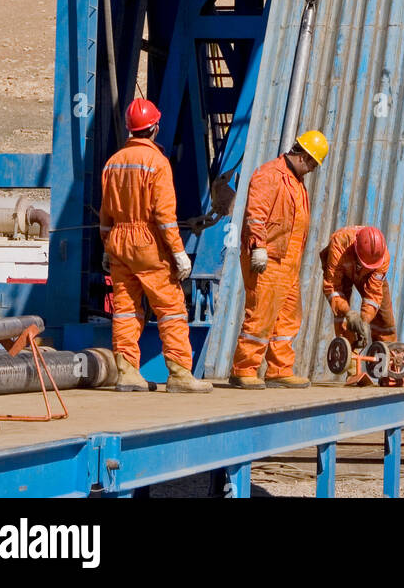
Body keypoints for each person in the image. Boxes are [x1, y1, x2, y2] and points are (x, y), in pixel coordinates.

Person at [100, 98, 212, 394]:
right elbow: (164, 217)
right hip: (148, 244)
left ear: (130, 130)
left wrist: (106, 247)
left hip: (118, 243)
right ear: (155, 128)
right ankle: (179, 374)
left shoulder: (112, 163)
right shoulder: (157, 163)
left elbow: (106, 213)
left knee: (125, 309)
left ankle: (127, 373)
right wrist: (178, 253)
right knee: (170, 308)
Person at [229, 131, 329, 389]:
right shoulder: (270, 174)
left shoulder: (296, 181)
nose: (312, 169)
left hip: (289, 262)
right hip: (269, 258)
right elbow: (256, 214)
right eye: (313, 164)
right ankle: (244, 369)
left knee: (288, 318)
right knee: (261, 314)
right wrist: (258, 247)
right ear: (304, 157)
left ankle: (279, 370)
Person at [319, 225, 396, 347]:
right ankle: (349, 357)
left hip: (368, 275)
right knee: (343, 317)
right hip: (341, 267)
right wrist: (348, 312)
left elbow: (374, 294)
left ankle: (388, 357)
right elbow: (333, 287)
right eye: (364, 264)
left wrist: (365, 320)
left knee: (384, 317)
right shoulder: (339, 244)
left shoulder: (382, 258)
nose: (366, 267)